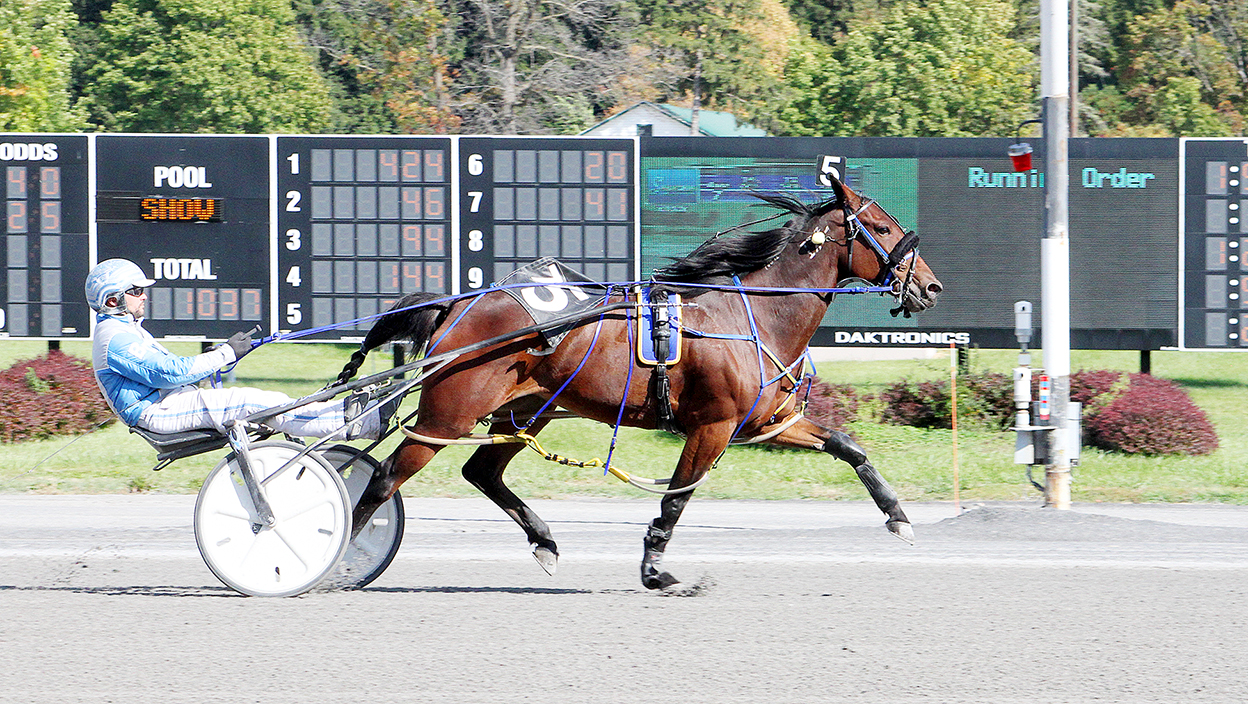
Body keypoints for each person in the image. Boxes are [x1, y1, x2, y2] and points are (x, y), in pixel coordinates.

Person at [86, 258, 395, 439]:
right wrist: (226, 353)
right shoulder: (115, 338)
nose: (144, 296)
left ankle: (339, 414)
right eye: (137, 291)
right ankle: (357, 424)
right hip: (157, 412)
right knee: (251, 402)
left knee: (266, 400)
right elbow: (168, 372)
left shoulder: (123, 330)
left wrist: (218, 358)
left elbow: (168, 372)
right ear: (113, 300)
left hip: (169, 401)